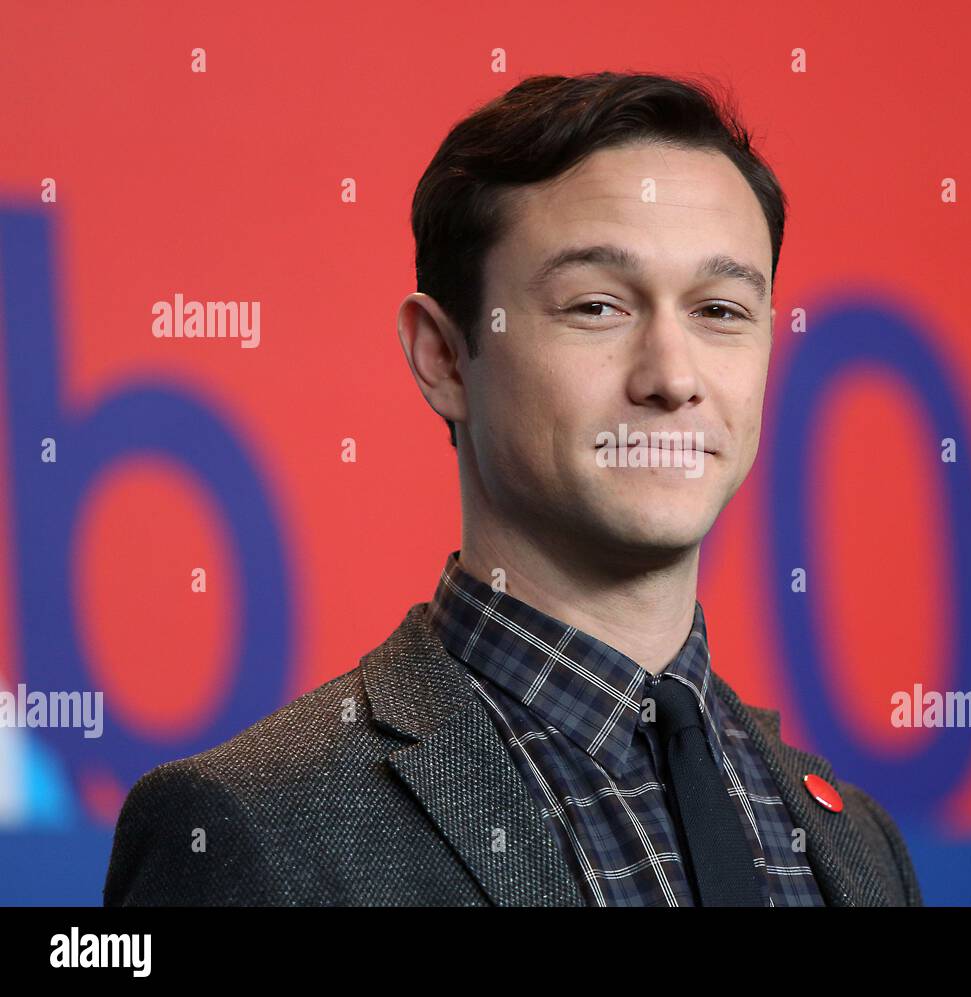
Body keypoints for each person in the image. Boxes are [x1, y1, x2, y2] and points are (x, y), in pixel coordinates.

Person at [103, 71, 922, 907]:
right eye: (598, 306)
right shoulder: (257, 826)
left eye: (720, 311)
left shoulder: (853, 842)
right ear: (445, 357)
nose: (673, 377)